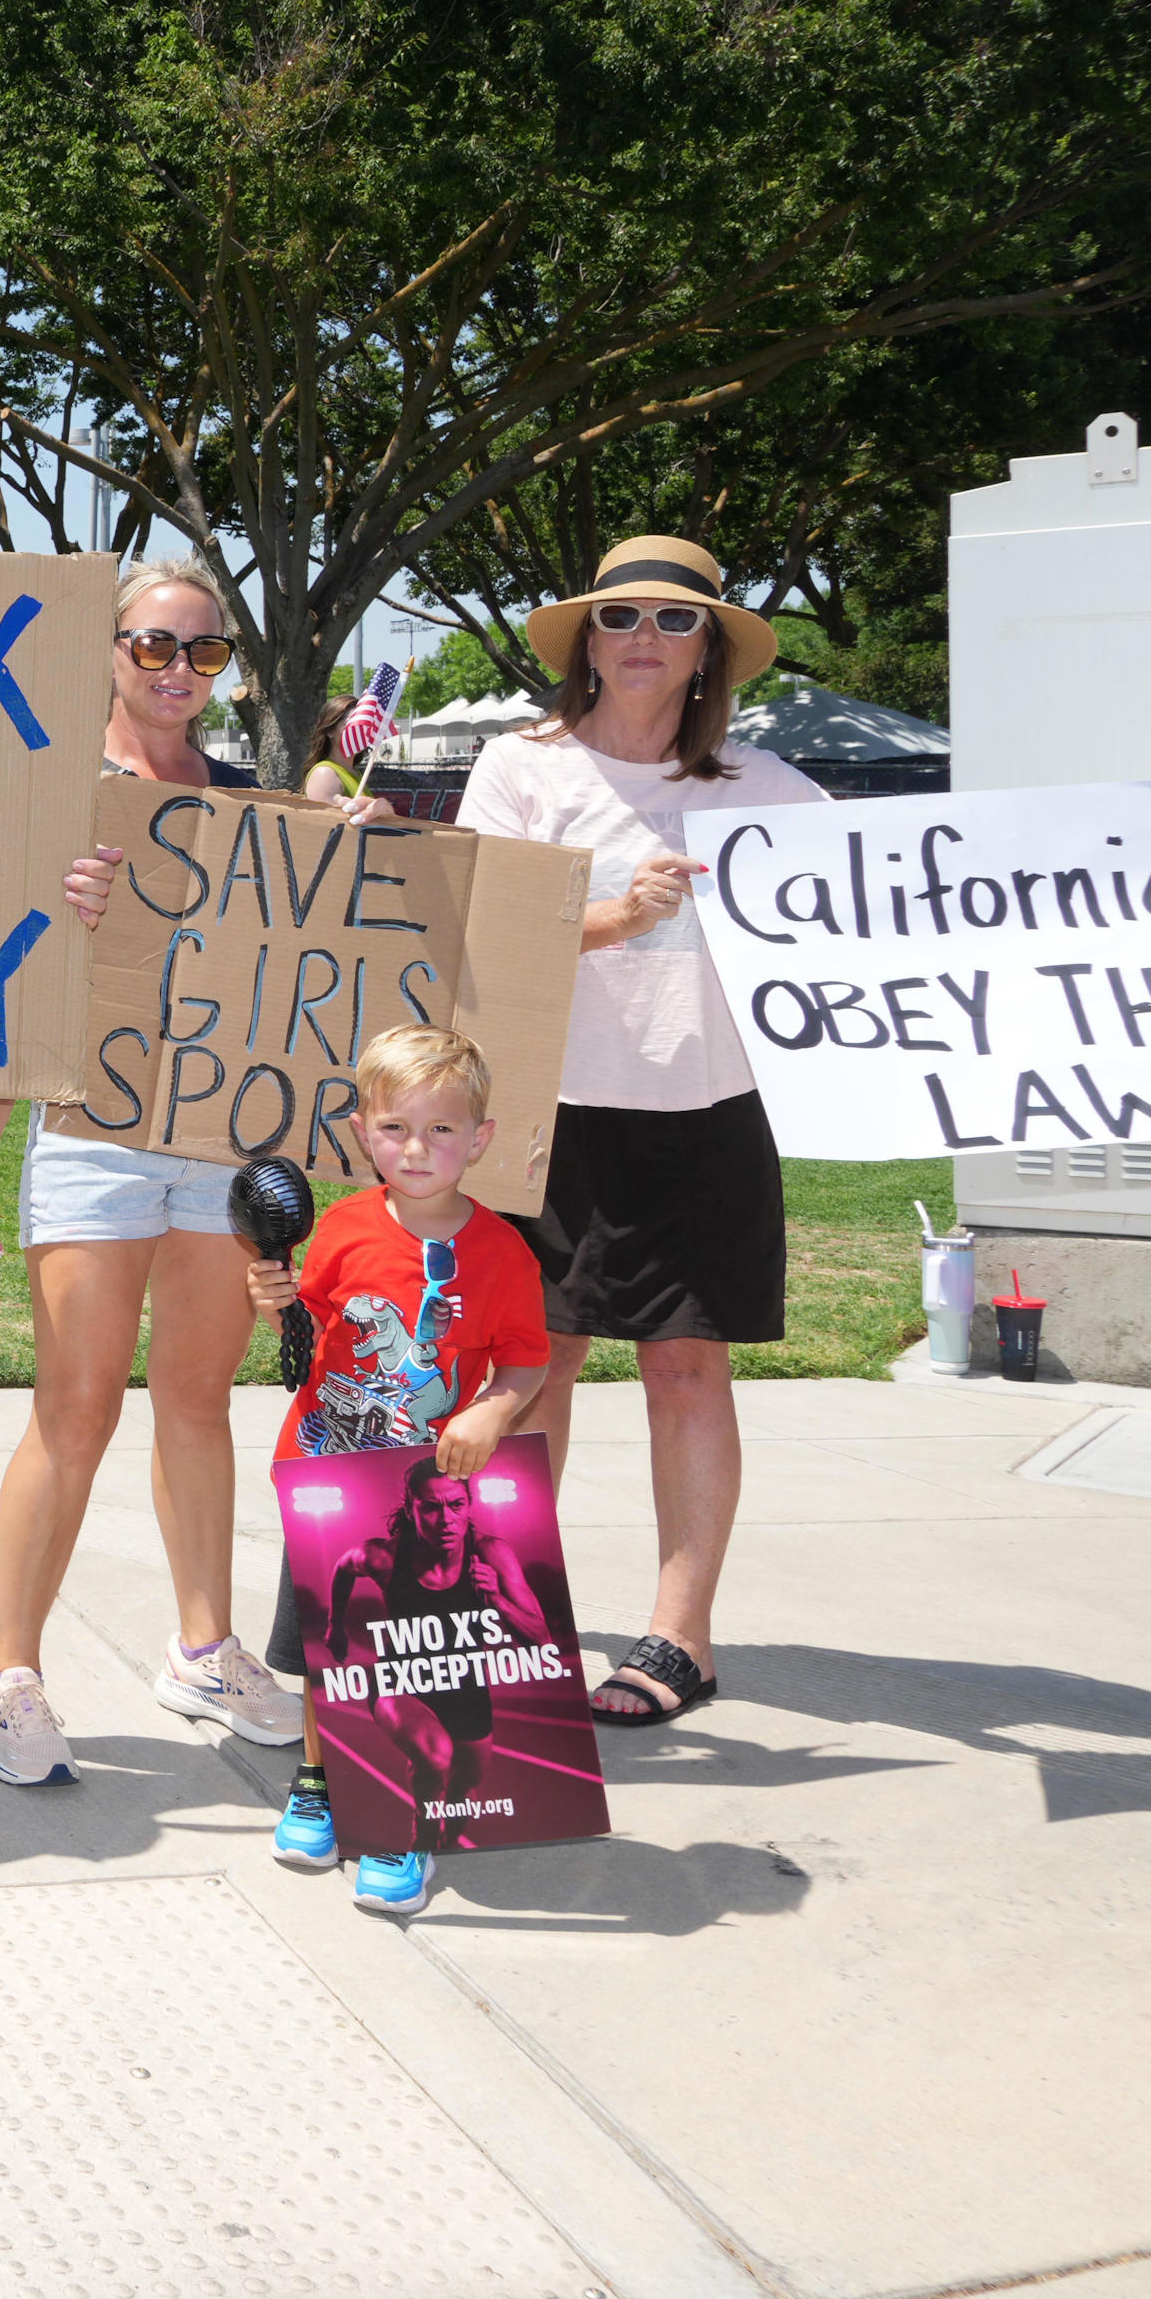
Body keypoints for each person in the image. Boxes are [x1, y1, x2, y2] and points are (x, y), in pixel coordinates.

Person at [0, 559, 378, 1786]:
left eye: (203, 652)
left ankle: (203, 1646)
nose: (178, 673)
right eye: (154, 648)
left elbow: (321, 930)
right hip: (90, 1134)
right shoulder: (55, 795)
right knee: (73, 1408)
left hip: (225, 1147)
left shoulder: (253, 807)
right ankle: (10, 1671)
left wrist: (349, 838)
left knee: (197, 1398)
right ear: (109, 650)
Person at [457, 535, 829, 1724]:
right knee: (534, 1361)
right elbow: (476, 930)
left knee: (685, 1363)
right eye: (620, 618)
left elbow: (910, 899)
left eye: (674, 621)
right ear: (587, 639)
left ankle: (680, 1638)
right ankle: (514, 1616)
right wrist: (616, 917)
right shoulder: (521, 769)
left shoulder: (766, 787)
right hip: (543, 1112)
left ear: (709, 648)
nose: (644, 641)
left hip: (706, 1109)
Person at [244, 1025, 552, 1918]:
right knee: (324, 1653)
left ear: (482, 1139)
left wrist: (493, 1409)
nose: (417, 1151)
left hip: (426, 1499)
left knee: (415, 1668)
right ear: (362, 1130)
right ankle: (316, 1781)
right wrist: (268, 1303)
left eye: (443, 1132)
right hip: (331, 1477)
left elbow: (527, 1363)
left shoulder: (501, 1254)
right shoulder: (340, 1226)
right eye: (394, 1130)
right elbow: (305, 1347)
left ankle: (402, 1819)